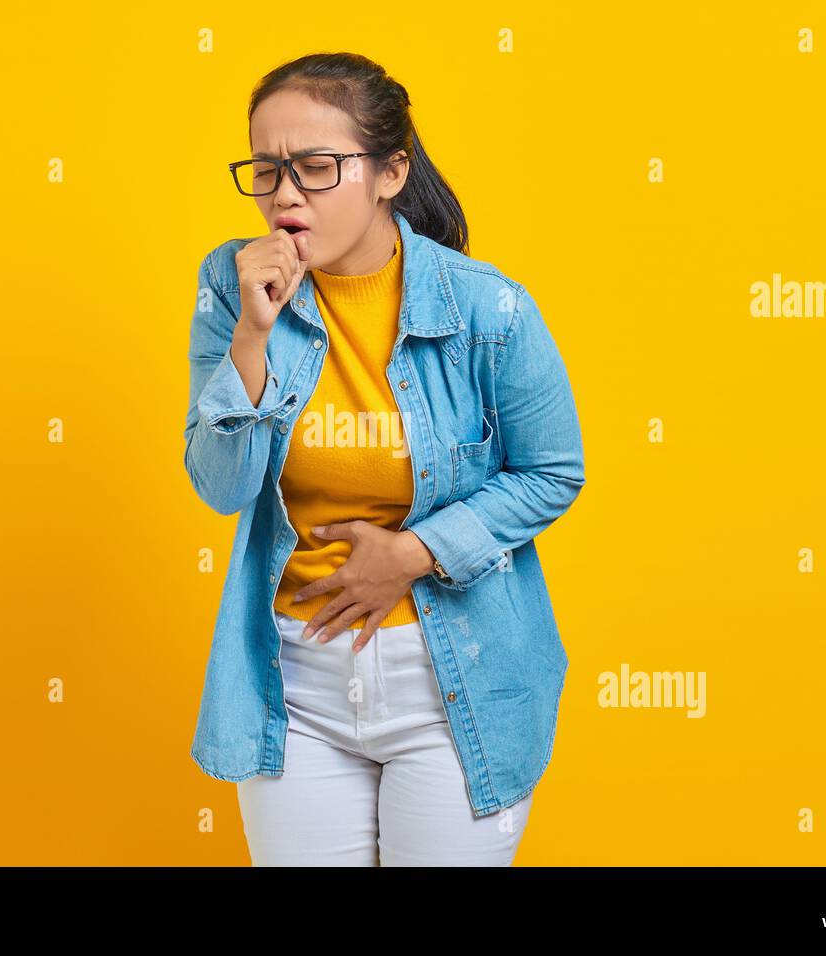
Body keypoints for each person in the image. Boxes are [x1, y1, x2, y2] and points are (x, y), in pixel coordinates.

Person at [184, 51, 587, 865]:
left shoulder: (487, 306)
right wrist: (252, 337)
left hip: (453, 677)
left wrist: (412, 554)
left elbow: (553, 470)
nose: (285, 195)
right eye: (266, 171)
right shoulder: (234, 287)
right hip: (293, 681)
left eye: (317, 167)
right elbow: (222, 487)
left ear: (390, 171)